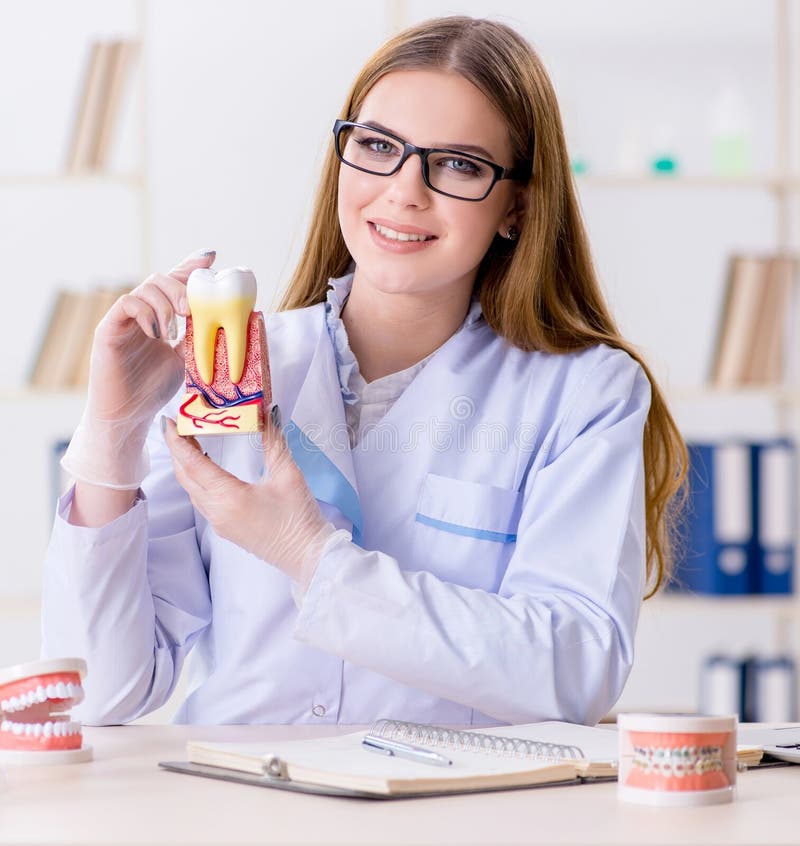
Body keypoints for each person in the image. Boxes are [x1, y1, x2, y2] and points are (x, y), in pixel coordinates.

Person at [42, 16, 687, 727]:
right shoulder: (232, 371)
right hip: (242, 819)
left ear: (518, 206)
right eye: (379, 147)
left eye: (458, 164)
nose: (405, 191)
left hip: (459, 822)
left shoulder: (584, 391)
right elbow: (95, 694)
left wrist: (311, 558)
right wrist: (112, 433)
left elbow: (576, 667)